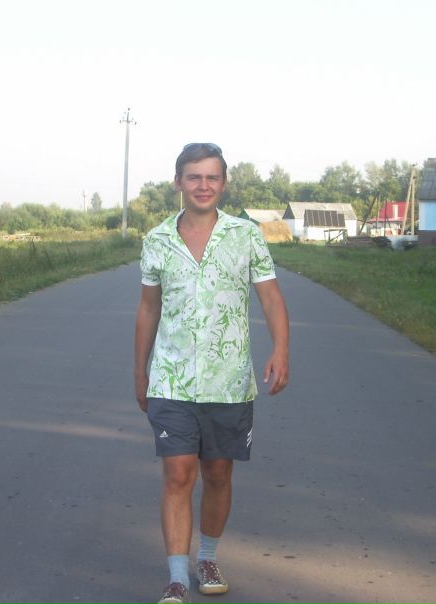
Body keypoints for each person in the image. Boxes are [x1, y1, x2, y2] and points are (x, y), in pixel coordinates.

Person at [134, 142, 290, 604]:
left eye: (212, 177)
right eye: (194, 176)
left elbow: (270, 297)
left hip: (229, 380)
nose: (203, 185)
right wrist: (140, 372)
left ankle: (207, 556)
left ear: (223, 183)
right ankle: (177, 578)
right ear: (178, 182)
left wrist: (281, 350)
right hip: (171, 377)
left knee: (218, 474)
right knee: (178, 474)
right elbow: (148, 308)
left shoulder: (246, 235)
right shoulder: (157, 240)